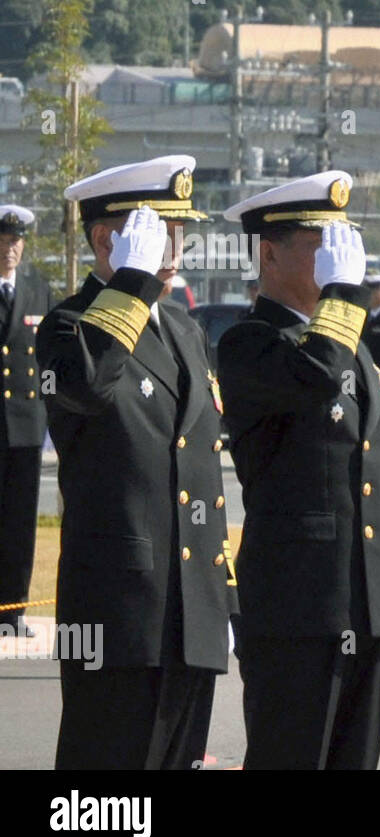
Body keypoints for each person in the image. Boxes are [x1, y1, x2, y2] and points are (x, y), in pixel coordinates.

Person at [37, 156, 236, 768]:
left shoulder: (183, 329)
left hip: (189, 612)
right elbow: (88, 387)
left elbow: (198, 467)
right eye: (160, 230)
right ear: (106, 239)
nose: (175, 246)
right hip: (117, 614)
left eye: (178, 231)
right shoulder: (66, 327)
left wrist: (221, 599)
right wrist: (128, 285)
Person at [219, 172, 380, 770]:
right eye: (320, 243)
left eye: (344, 241)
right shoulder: (251, 341)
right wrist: (342, 299)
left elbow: (375, 470)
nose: (338, 256)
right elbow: (313, 377)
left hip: (367, 602)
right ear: (269, 253)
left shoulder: (347, 342)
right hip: (298, 604)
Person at [0, 205, 47, 638]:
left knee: (19, 525)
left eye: (16, 241)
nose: (10, 248)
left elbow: (46, 356)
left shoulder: (36, 287)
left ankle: (12, 614)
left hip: (26, 425)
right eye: (3, 240)